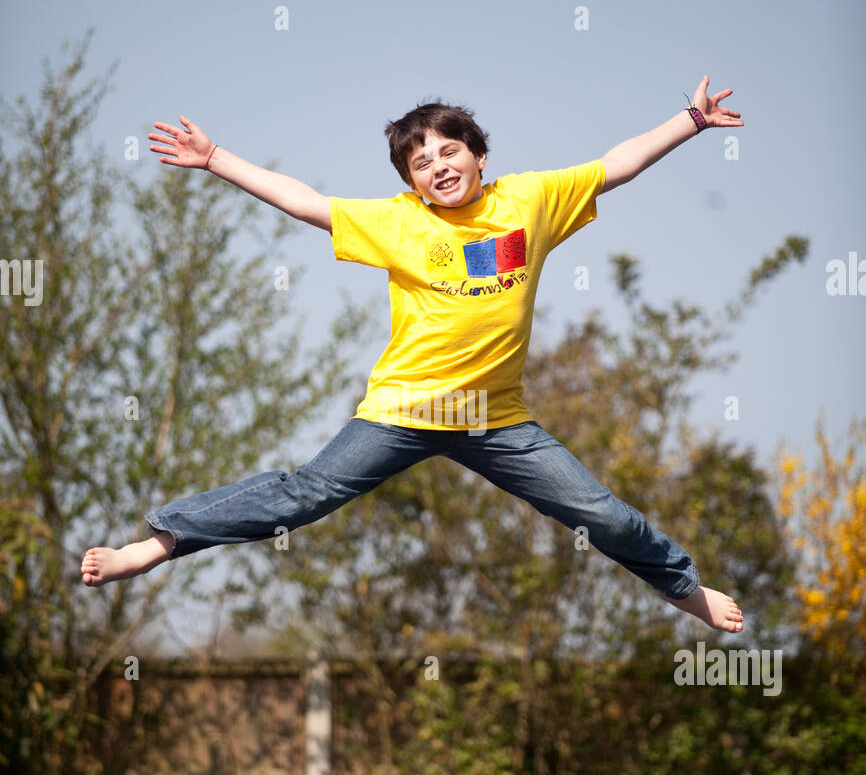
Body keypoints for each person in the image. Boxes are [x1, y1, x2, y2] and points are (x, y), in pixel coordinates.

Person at [81, 79, 744, 633]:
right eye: (421, 165)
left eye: (450, 152)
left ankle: (680, 587)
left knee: (596, 510)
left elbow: (617, 165)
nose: (439, 168)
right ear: (411, 184)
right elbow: (305, 202)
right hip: (403, 410)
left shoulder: (531, 200)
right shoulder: (400, 221)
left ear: (481, 156)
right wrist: (216, 157)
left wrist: (690, 120)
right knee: (302, 495)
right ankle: (156, 544)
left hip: (496, 418)